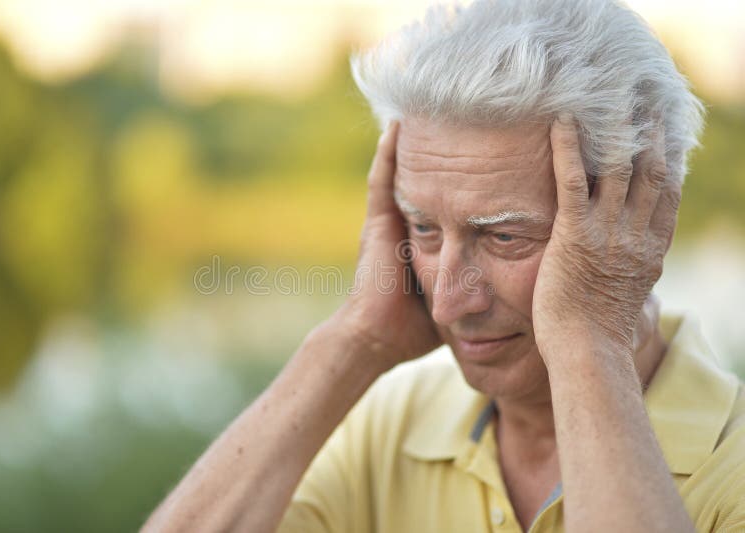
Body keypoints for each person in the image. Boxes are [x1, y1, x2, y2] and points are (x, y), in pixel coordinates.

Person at [142, 0, 745, 531]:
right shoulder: (392, 426)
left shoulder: (732, 464)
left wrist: (588, 344)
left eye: (504, 236)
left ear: (641, 219)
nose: (450, 303)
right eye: (424, 228)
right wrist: (355, 340)